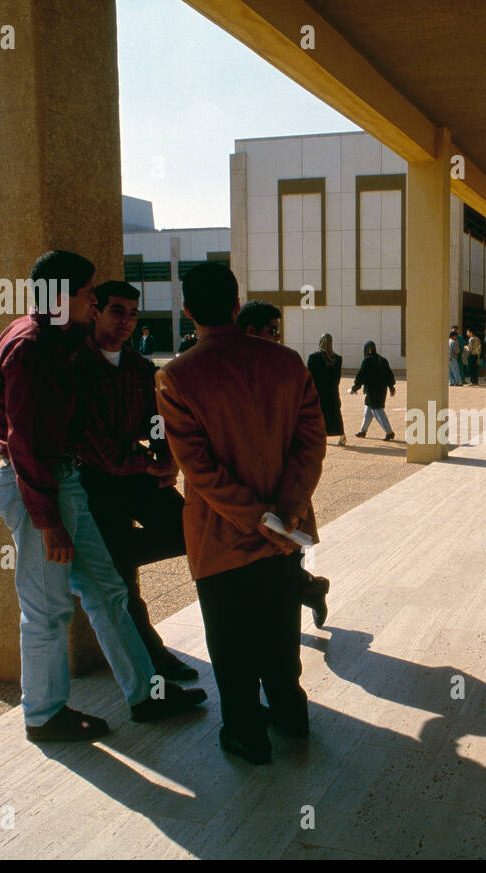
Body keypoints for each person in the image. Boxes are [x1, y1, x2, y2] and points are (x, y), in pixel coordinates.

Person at [0, 250, 206, 743]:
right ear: (64, 296)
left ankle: (146, 694)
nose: (94, 303)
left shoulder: (52, 339)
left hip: (60, 485)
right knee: (47, 610)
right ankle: (43, 715)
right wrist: (49, 521)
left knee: (107, 592)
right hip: (38, 490)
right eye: (90, 295)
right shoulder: (32, 347)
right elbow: (25, 446)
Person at [156, 263, 325, 765]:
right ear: (236, 305)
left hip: (220, 537)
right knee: (279, 632)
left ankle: (247, 734)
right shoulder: (288, 364)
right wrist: (286, 513)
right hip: (285, 534)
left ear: (187, 310)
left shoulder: (177, 376)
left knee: (231, 645)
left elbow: (199, 470)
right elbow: (311, 443)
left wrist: (253, 518)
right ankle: (292, 716)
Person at [71, 280, 196, 682]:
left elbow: (155, 421)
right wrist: (148, 466)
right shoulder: (75, 366)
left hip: (138, 473)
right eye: (117, 311)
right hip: (96, 483)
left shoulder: (140, 368)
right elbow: (90, 442)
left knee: (189, 530)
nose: (126, 321)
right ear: (95, 312)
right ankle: (155, 659)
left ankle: (116, 555)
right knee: (124, 588)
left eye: (133, 313)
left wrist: (165, 460)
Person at [237, 301, 334, 627]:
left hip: (284, 495)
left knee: (285, 566)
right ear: (251, 331)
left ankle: (308, 590)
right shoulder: (229, 372)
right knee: (264, 576)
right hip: (245, 499)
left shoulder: (289, 372)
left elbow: (310, 442)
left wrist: (293, 503)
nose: (278, 339)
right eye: (273, 331)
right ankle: (311, 589)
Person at [350, 340, 396, 439]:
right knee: (369, 410)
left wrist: (355, 388)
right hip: (381, 390)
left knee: (378, 410)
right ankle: (363, 431)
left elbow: (361, 376)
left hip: (371, 390)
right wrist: (391, 387)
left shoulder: (367, 361)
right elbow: (389, 375)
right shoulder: (382, 360)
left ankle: (389, 432)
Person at [307, 333, 346, 447]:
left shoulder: (313, 357)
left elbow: (309, 376)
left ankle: (318, 435)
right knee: (335, 413)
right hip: (332, 391)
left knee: (318, 414)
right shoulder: (337, 359)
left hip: (318, 391)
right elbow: (337, 377)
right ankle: (341, 435)